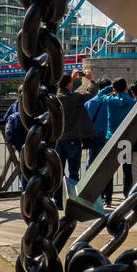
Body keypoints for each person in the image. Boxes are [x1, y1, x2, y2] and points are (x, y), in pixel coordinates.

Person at [55, 70, 97, 198]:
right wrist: (92, 80)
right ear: (69, 84)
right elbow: (91, 93)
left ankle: (57, 200)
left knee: (58, 172)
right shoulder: (73, 97)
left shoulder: (54, 97)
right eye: (71, 82)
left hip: (57, 139)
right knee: (74, 172)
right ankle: (72, 198)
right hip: (72, 138)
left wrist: (70, 78)